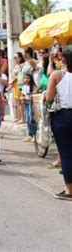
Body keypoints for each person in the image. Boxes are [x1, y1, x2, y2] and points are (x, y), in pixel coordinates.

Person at [45, 48, 72, 201]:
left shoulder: (57, 75)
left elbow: (49, 98)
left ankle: (69, 190)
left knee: (67, 154)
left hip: (63, 116)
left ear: (64, 60)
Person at [9, 52, 26, 123]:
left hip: (19, 85)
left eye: (16, 57)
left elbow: (19, 75)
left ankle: (22, 118)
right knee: (17, 102)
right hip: (15, 86)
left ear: (20, 58)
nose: (15, 59)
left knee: (20, 103)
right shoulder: (16, 65)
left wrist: (11, 81)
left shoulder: (22, 65)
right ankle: (19, 117)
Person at [21, 73, 36, 143]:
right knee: (27, 120)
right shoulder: (23, 87)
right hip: (26, 104)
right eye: (25, 78)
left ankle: (34, 135)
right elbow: (23, 96)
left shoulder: (33, 86)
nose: (26, 80)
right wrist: (22, 98)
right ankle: (30, 135)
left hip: (32, 104)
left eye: (28, 78)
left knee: (31, 120)